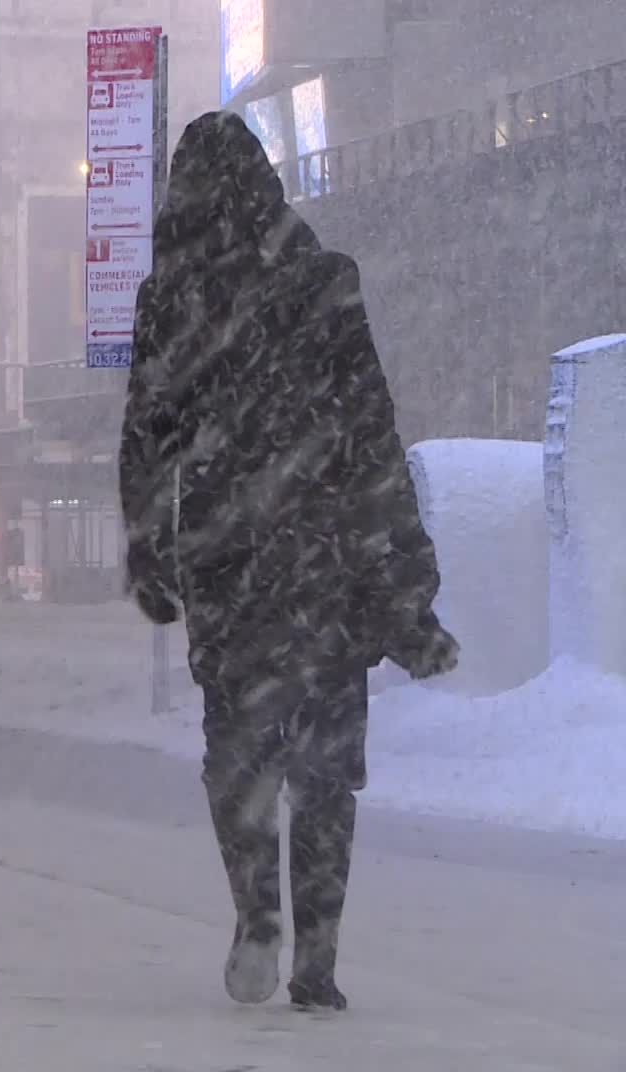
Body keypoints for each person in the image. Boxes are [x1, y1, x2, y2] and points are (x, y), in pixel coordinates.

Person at [120, 111, 459, 1012]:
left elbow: (148, 438)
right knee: (324, 766)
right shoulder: (324, 281)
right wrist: (402, 581)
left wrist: (149, 546)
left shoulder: (170, 300)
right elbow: (371, 430)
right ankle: (319, 956)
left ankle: (254, 914)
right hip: (327, 558)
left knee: (239, 752)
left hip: (228, 561)